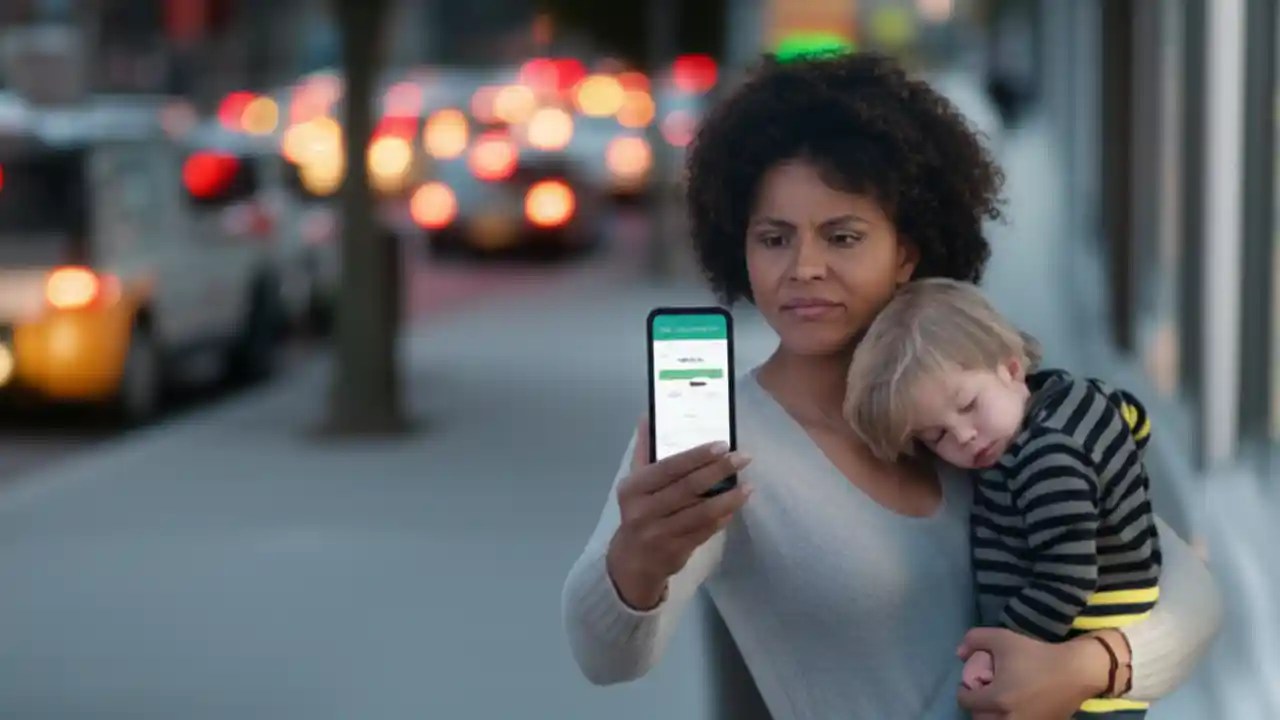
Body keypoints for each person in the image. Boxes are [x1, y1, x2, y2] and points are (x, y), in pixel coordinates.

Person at [561, 52, 1221, 720]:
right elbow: (606, 658)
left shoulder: (981, 401)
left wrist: (1085, 668)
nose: (804, 267)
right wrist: (635, 563)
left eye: (842, 236)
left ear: (906, 251)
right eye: (774, 238)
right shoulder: (726, 443)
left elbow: (1189, 592)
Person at [843, 278, 1160, 719]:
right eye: (936, 436)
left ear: (1011, 368)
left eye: (969, 405)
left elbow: (1067, 577)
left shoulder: (1045, 458)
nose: (965, 437)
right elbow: (1135, 420)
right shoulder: (1076, 394)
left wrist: (996, 653)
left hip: (1075, 670)